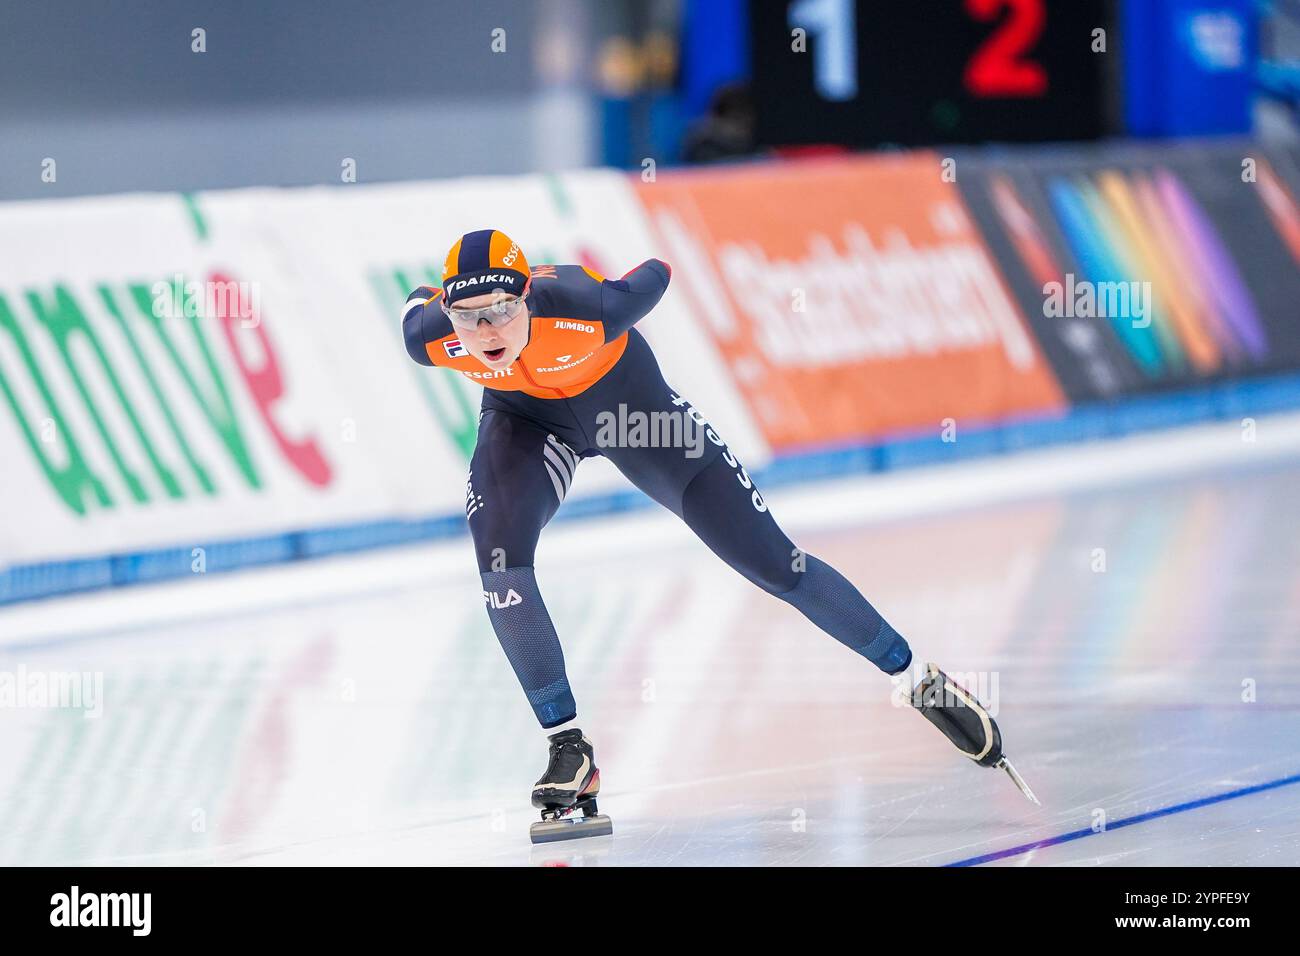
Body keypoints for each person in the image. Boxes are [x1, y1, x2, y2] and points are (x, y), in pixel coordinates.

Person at [402, 229, 1036, 840]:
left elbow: (655, 275)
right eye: (470, 316)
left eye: (503, 310)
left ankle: (918, 677)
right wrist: (436, 307)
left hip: (633, 415)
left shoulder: (586, 306)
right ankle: (568, 746)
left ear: (528, 297)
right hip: (525, 423)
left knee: (775, 565)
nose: (486, 332)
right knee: (502, 568)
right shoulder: (433, 336)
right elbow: (415, 312)